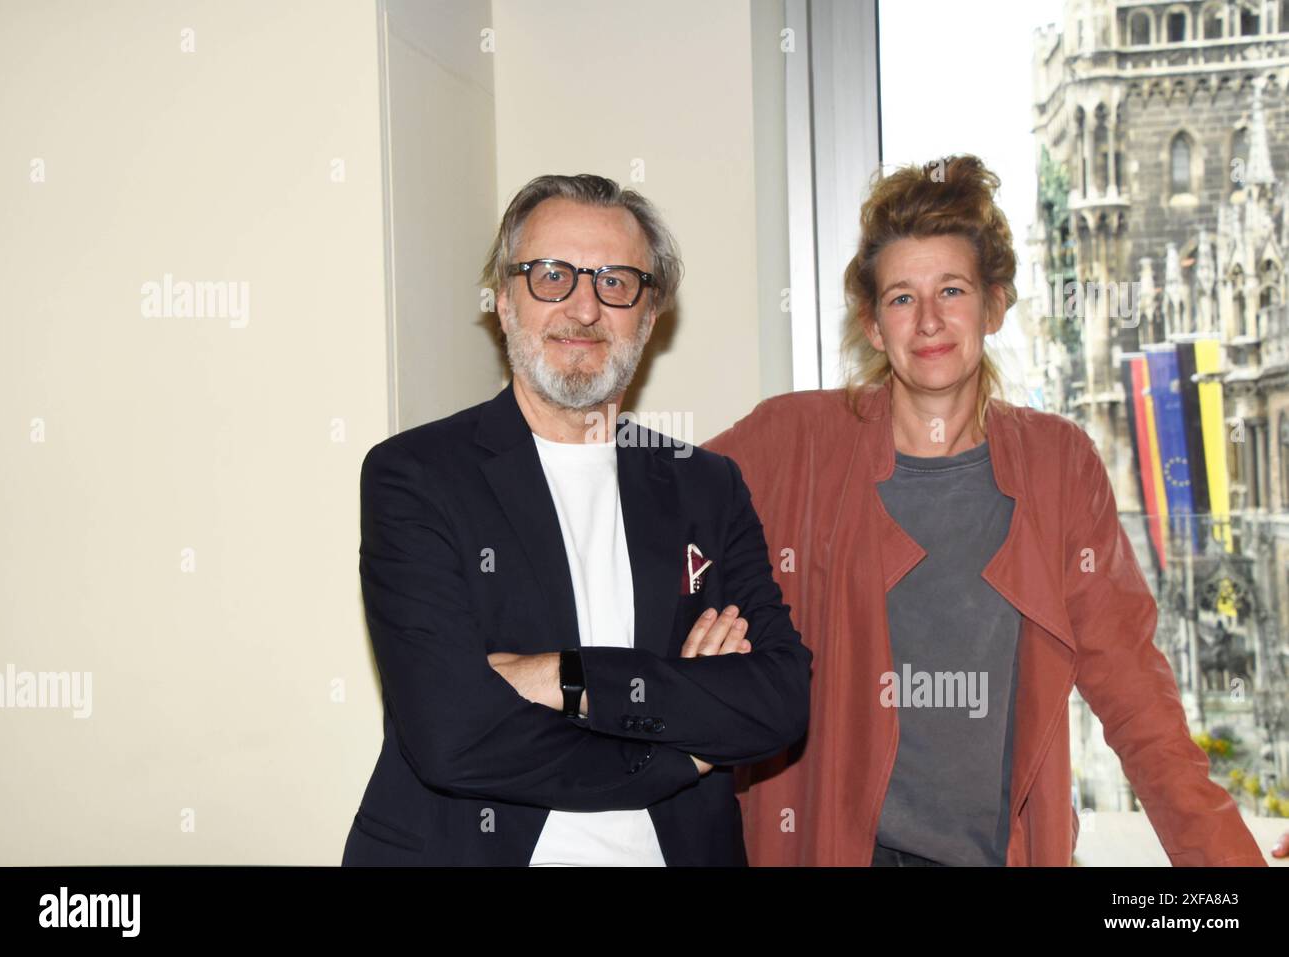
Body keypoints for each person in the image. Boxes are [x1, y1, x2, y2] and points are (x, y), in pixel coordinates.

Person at [704, 155, 1266, 866]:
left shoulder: (1059, 466)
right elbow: (648, 514)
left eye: (953, 290)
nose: (930, 320)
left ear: (994, 305)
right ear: (874, 324)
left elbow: (1136, 702)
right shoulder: (794, 442)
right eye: (902, 298)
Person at [342, 173, 811, 866]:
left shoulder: (708, 485)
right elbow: (452, 735)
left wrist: (565, 677)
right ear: (503, 301)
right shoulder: (415, 476)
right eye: (552, 275)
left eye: (616, 282)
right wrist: (685, 749)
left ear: (648, 316)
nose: (584, 307)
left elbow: (777, 698)